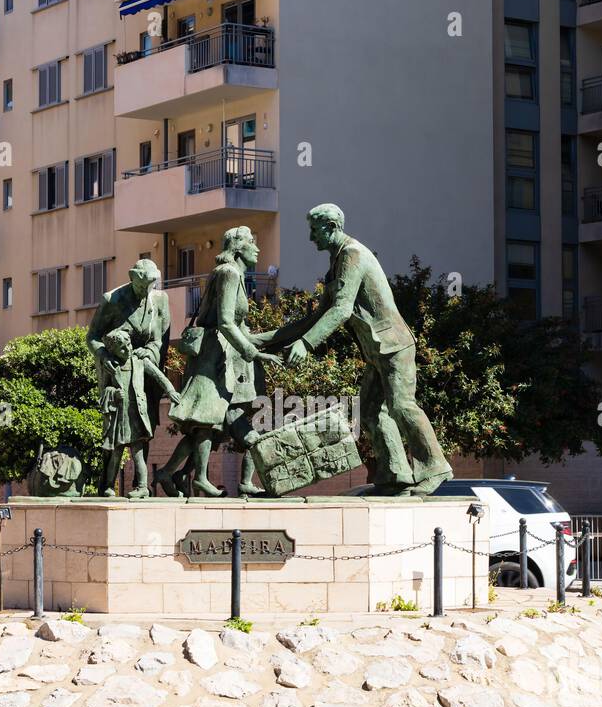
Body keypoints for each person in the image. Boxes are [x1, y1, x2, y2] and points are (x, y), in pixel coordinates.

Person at [263, 203, 452, 495]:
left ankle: (435, 467)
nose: (311, 237)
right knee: (371, 412)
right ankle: (396, 475)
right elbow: (315, 317)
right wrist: (260, 340)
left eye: (314, 230)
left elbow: (340, 310)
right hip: (376, 351)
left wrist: (306, 343)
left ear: (332, 227)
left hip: (393, 345)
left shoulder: (353, 254)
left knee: (402, 407)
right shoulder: (337, 262)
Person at [157, 226, 280, 497]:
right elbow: (225, 322)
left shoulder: (231, 274)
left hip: (225, 355)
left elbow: (239, 327)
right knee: (208, 422)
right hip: (215, 357)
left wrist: (276, 339)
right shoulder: (229, 273)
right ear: (238, 248)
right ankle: (199, 477)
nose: (257, 249)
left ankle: (172, 473)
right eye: (252, 243)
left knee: (210, 426)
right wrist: (253, 352)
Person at [87, 258, 173, 497]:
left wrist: (152, 352)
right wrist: (105, 357)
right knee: (112, 436)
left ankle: (140, 485)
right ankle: (106, 484)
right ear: (132, 278)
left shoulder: (160, 300)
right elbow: (93, 337)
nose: (146, 291)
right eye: (142, 286)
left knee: (142, 433)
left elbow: (162, 340)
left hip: (144, 371)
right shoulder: (112, 300)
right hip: (116, 373)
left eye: (151, 286)